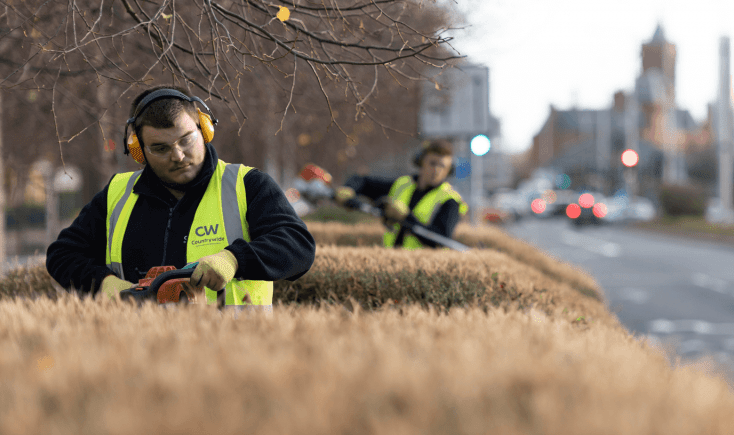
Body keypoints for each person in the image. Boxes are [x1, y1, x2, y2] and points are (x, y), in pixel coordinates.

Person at [46, 87, 316, 306]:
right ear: (139, 150)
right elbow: (63, 254)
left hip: (235, 357)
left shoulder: (246, 185)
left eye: (186, 140)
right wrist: (105, 284)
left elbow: (298, 245)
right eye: (160, 148)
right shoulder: (117, 194)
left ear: (204, 129)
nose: (178, 155)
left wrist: (234, 259)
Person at [335, 139, 468, 248]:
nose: (437, 170)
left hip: (424, 269)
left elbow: (440, 240)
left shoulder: (450, 200)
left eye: (443, 166)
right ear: (421, 161)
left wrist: (405, 217)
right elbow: (362, 181)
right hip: (390, 259)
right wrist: (348, 189)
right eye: (433, 163)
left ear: (449, 170)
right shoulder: (403, 184)